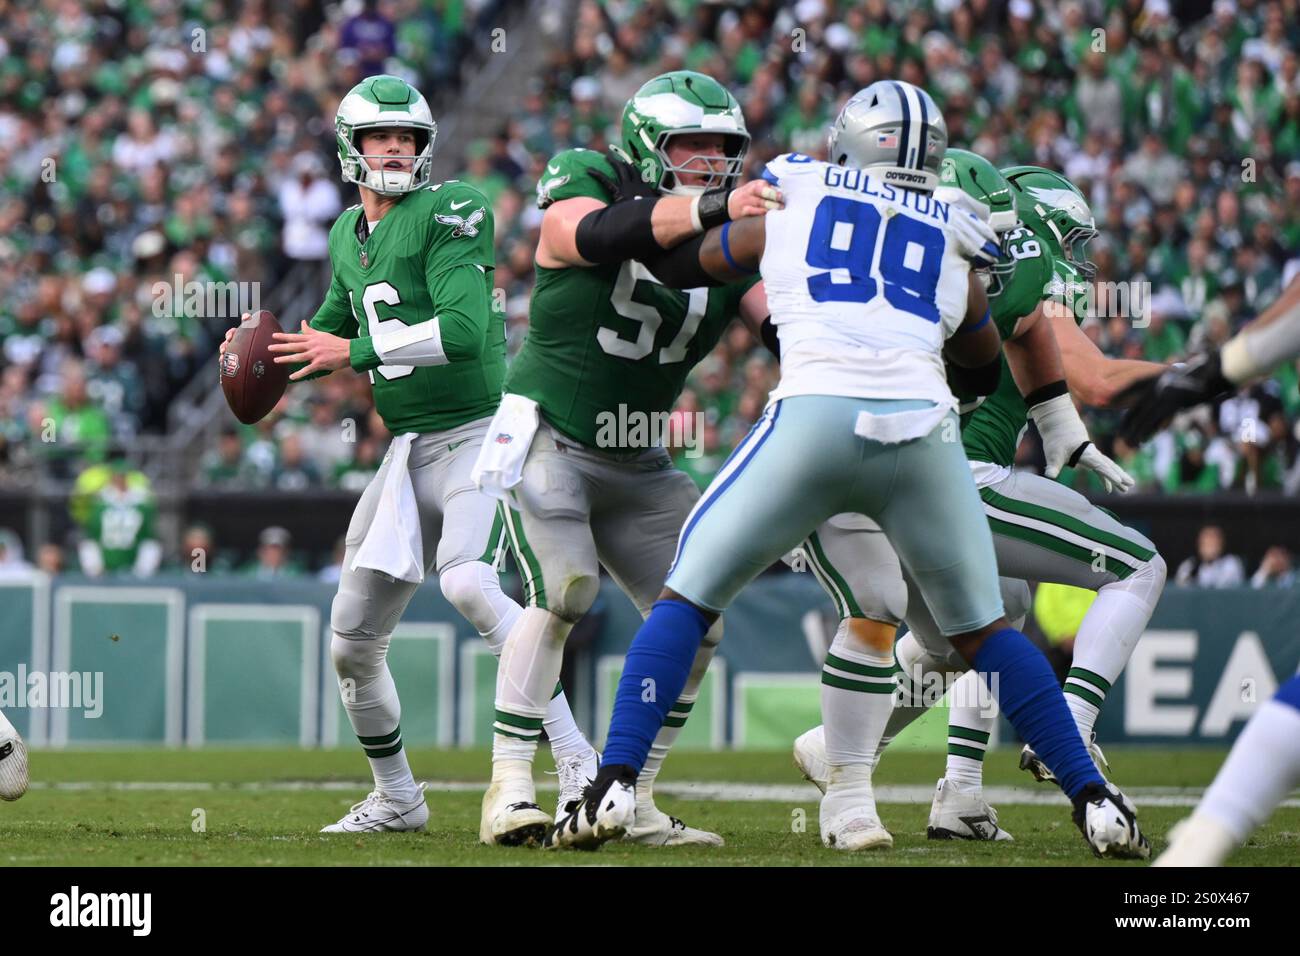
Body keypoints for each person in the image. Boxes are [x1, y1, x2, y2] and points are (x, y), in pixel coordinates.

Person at [548, 81, 1149, 860]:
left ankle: (616, 780)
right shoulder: (954, 227)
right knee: (987, 632)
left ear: (848, 145)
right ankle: (1094, 798)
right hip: (924, 437)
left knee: (687, 598)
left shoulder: (796, 186)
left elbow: (697, 265)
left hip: (813, 421)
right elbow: (978, 364)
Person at [220, 75, 595, 834]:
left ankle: (578, 763)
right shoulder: (345, 234)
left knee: (469, 582)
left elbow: (461, 331)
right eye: (380, 137)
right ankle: (397, 797)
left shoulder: (453, 208)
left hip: (481, 433)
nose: (395, 149)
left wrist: (354, 351)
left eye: (407, 137)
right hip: (410, 449)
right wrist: (264, 356)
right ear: (350, 148)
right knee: (351, 642)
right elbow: (330, 329)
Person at [793, 160, 1166, 841]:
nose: (1078, 261)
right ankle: (1071, 729)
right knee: (1139, 566)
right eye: (1071, 241)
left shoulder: (945, 270)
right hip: (953, 476)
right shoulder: (1026, 272)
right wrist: (1207, 373)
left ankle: (942, 787)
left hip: (885, 473)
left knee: (985, 623)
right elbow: (1099, 379)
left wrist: (1060, 426)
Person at [473, 69, 781, 848]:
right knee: (565, 592)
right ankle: (509, 789)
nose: (710, 161)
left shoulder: (727, 235)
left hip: (638, 458)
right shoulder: (591, 175)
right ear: (647, 145)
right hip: (550, 435)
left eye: (722, 147)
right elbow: (583, 235)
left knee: (698, 620)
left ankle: (630, 796)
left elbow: (779, 325)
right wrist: (713, 210)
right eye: (690, 144)